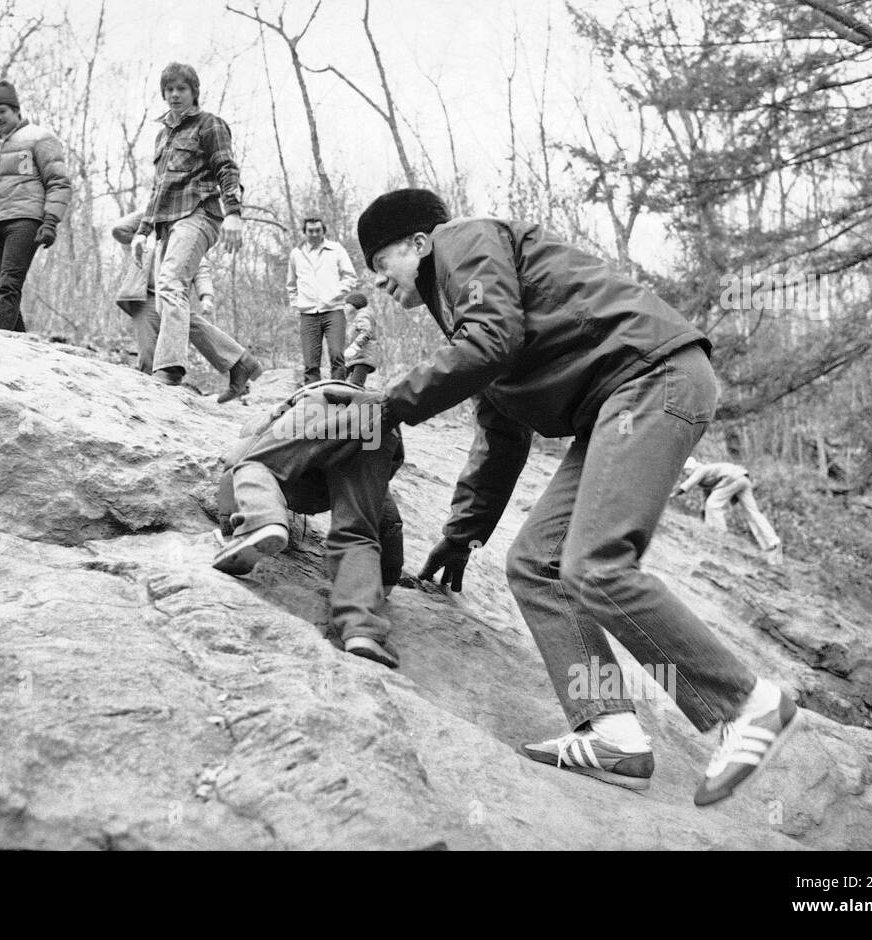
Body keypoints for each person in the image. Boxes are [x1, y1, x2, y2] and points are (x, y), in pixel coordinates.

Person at [332, 188, 800, 806]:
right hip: (615, 404)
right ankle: (611, 731)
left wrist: (386, 405)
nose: (379, 280)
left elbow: (490, 343)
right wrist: (462, 535)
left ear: (419, 243)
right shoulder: (465, 309)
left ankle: (747, 702)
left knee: (596, 566)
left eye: (380, 261)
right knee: (535, 564)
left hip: (651, 380)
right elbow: (501, 432)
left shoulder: (464, 243)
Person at [212, 381, 405, 668]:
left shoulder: (265, 423)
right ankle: (362, 631)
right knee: (358, 529)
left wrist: (229, 527)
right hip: (380, 422)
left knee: (255, 465)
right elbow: (388, 522)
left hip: (320, 405)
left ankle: (260, 521)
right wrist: (385, 579)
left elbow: (233, 466)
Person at [131, 63, 262, 400]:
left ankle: (169, 369)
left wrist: (234, 213)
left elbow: (227, 169)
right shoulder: (163, 135)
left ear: (193, 92)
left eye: (181, 89)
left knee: (170, 284)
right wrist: (143, 231)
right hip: (166, 224)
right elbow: (158, 189)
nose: (174, 95)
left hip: (199, 213)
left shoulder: (209, 124)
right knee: (170, 305)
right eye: (169, 89)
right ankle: (238, 362)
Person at [110, 208, 258, 401]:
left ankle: (236, 363)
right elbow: (119, 230)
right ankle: (150, 400)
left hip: (173, 296)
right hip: (144, 297)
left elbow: (201, 268)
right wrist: (152, 208)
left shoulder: (187, 235)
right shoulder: (148, 235)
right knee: (148, 355)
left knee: (184, 330)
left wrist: (206, 296)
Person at [0, 80, 72, 332]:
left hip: (25, 221)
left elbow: (59, 182)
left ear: (16, 111)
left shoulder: (39, 138)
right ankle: (22, 348)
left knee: (9, 287)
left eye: (3, 111)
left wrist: (50, 222)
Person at [287, 216, 359, 384]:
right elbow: (291, 284)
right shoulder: (296, 254)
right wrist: (297, 303)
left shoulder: (335, 249)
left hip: (333, 311)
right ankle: (313, 401)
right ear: (304, 232)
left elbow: (350, 276)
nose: (314, 234)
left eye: (317, 230)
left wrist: (335, 294)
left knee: (337, 355)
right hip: (308, 314)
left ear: (323, 231)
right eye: (310, 231)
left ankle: (338, 395)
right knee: (310, 362)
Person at [674, 457, 783, 564]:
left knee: (713, 504)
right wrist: (703, 513)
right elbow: (706, 496)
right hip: (743, 478)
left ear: (690, 468)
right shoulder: (706, 476)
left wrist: (673, 494)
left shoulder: (700, 469)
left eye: (685, 471)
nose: (685, 474)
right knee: (753, 513)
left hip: (733, 478)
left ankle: (720, 534)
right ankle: (772, 543)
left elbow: (688, 484)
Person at [341, 292, 379, 386]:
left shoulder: (362, 315)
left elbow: (367, 331)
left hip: (363, 358)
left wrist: (355, 346)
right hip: (355, 358)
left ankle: (360, 400)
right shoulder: (356, 317)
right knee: (340, 380)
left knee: (356, 385)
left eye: (347, 304)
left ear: (355, 304)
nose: (345, 307)